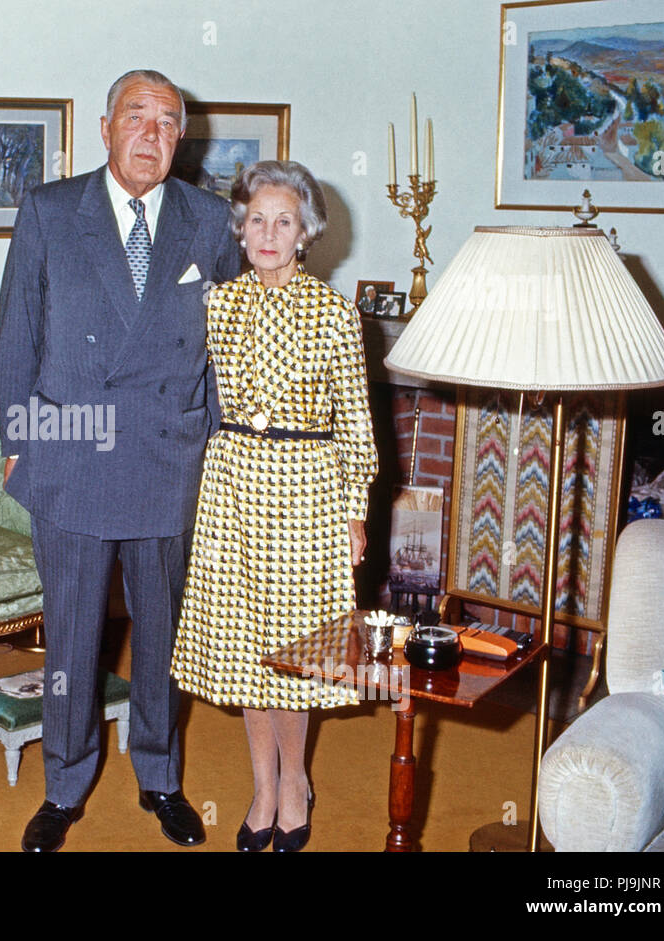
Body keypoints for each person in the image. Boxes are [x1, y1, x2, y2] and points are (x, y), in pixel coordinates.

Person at [0, 69, 240, 852]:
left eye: (169, 122)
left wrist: (227, 459)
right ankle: (64, 786)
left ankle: (161, 776)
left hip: (170, 459)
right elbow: (17, 337)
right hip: (70, 454)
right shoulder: (49, 210)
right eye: (137, 116)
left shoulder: (209, 221)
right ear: (104, 128)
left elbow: (230, 355)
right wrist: (15, 440)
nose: (153, 134)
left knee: (163, 632)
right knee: (71, 637)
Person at [170, 160, 378, 852]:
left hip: (307, 490)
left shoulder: (332, 310)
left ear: (305, 231)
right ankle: (263, 783)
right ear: (241, 227)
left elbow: (356, 421)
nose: (267, 232)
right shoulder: (218, 304)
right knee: (245, 654)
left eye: (282, 220)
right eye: (256, 219)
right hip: (233, 489)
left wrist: (355, 511)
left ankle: (296, 780)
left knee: (295, 654)